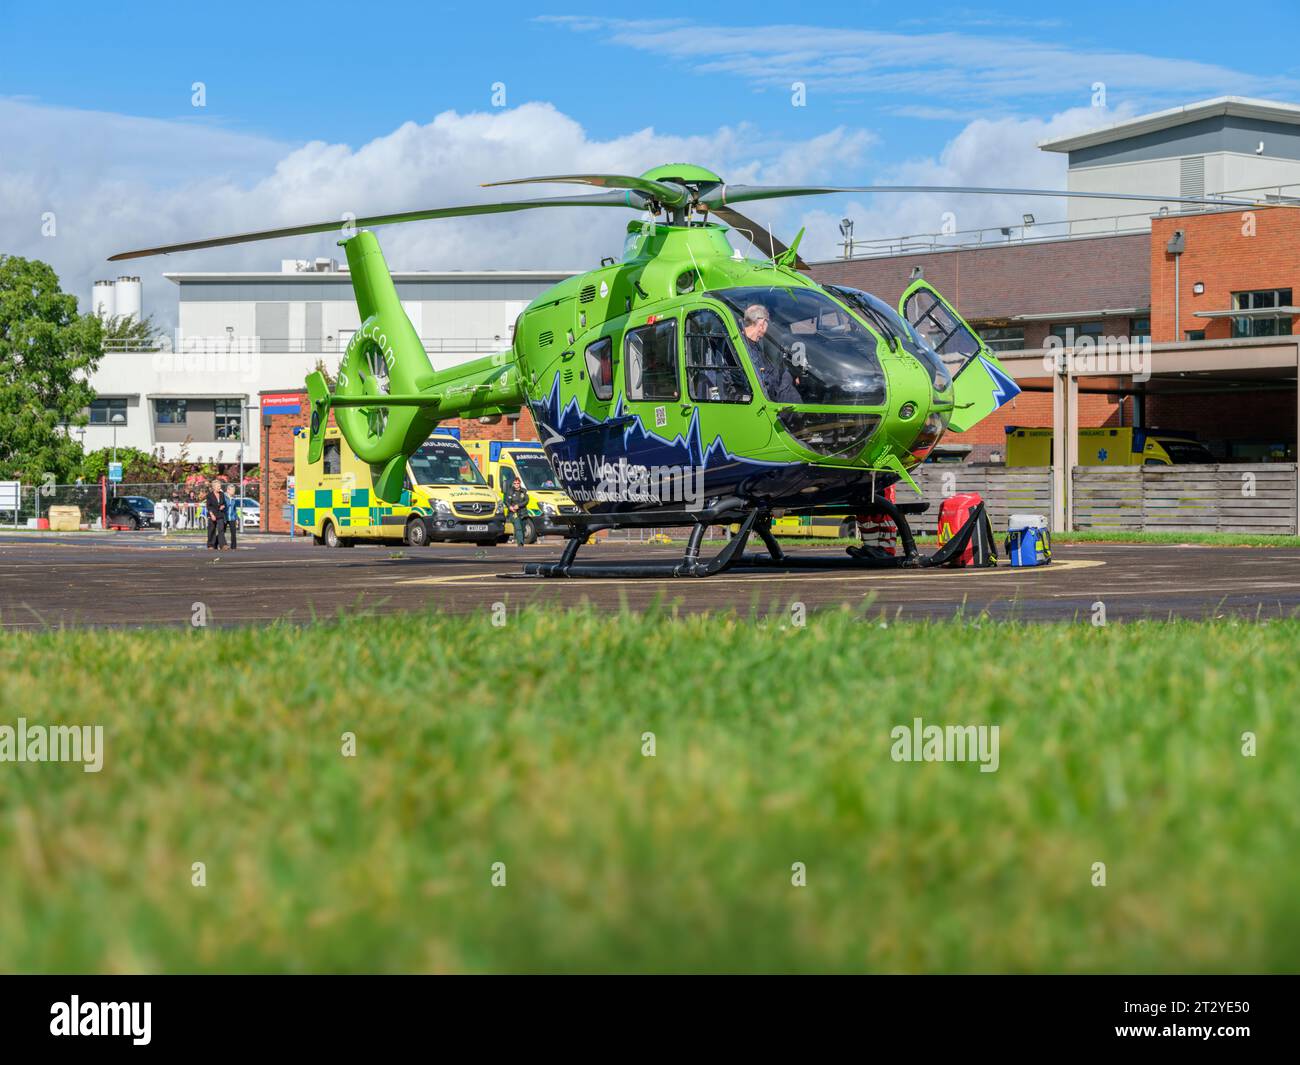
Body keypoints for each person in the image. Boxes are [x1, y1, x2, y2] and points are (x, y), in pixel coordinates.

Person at [741, 303, 801, 403]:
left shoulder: (749, 343)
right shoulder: (745, 346)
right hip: (766, 397)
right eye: (767, 322)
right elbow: (764, 380)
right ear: (762, 323)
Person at [505, 476, 530, 546]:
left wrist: (518, 505)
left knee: (522, 529)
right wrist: (510, 507)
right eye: (515, 483)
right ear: (513, 484)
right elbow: (506, 501)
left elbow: (526, 500)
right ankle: (520, 543)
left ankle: (520, 540)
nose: (516, 484)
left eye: (518, 483)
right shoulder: (510, 491)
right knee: (518, 527)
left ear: (520, 483)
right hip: (514, 513)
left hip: (523, 512)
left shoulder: (524, 491)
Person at [205, 482, 225, 550]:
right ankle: (210, 545)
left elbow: (224, 503)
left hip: (220, 514)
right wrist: (212, 515)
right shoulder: (209, 495)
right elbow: (208, 506)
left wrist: (223, 506)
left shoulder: (222, 494)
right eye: (218, 486)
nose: (219, 487)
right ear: (214, 487)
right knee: (211, 530)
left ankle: (223, 545)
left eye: (220, 486)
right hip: (212, 514)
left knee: (221, 530)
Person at [224, 484, 240, 550]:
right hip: (225, 517)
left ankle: (234, 546)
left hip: (232, 517)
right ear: (228, 490)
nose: (233, 491)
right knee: (222, 532)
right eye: (232, 490)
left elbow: (234, 509)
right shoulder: (224, 497)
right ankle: (217, 543)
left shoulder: (234, 498)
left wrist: (236, 518)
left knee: (233, 532)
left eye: (234, 490)